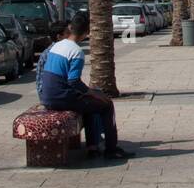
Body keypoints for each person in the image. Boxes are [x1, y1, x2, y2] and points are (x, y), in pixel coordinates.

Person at [39, 13, 131, 160]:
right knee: (106, 104)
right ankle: (111, 149)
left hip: (47, 96)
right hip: (62, 98)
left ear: (70, 28)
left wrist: (89, 93)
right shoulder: (76, 52)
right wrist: (93, 93)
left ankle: (92, 147)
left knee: (89, 106)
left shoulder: (57, 46)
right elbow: (73, 81)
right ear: (87, 32)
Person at [35, 20, 69, 99]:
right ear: (59, 37)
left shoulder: (61, 50)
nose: (70, 36)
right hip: (53, 96)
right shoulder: (53, 53)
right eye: (67, 33)